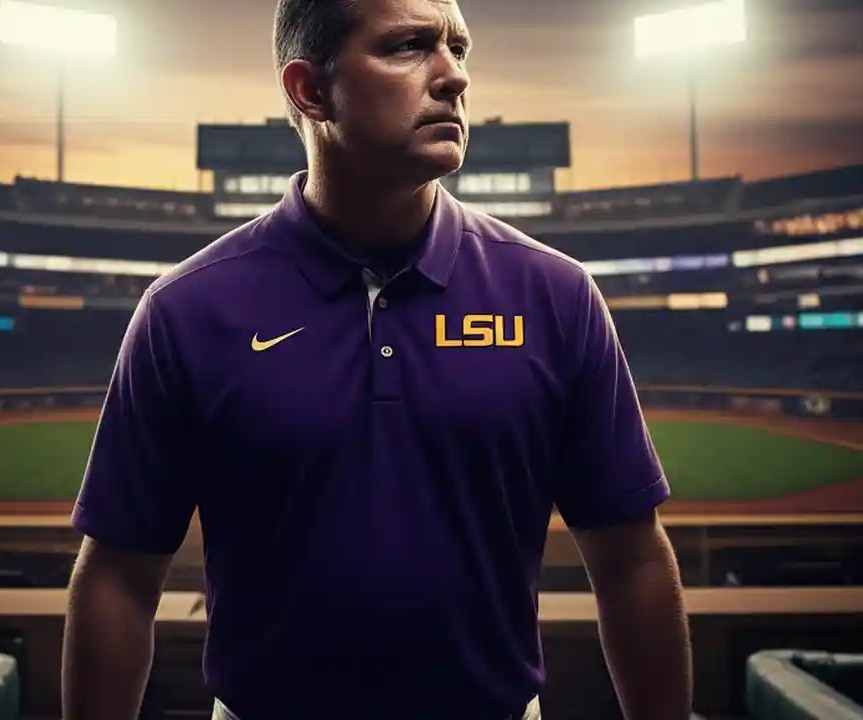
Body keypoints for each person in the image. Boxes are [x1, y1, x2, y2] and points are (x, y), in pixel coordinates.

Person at [62, 0, 693, 718]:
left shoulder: (556, 295)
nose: (454, 76)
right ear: (310, 90)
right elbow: (117, 575)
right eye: (409, 46)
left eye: (459, 48)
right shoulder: (187, 310)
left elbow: (632, 558)